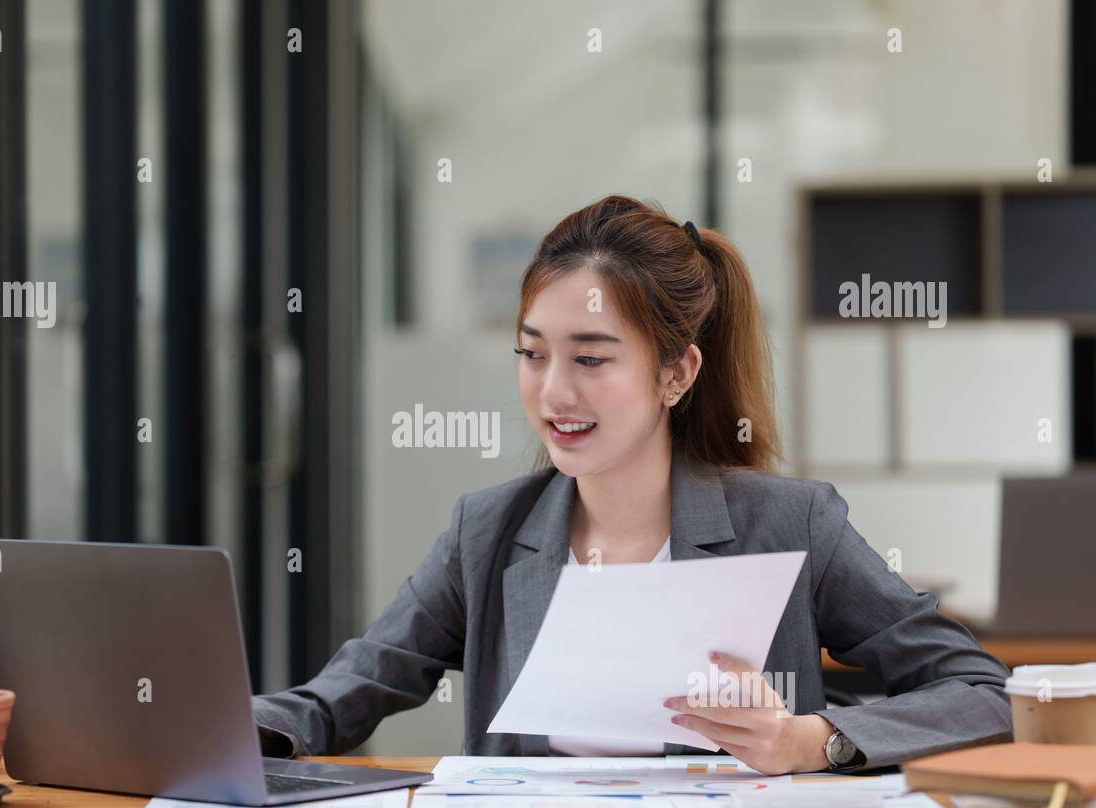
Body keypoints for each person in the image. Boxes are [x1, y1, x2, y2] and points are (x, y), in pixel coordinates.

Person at [252, 194, 1013, 774]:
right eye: (532, 353)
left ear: (675, 373)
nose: (553, 393)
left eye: (590, 359)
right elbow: (342, 695)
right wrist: (218, 729)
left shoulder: (788, 523)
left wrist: (812, 741)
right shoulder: (484, 533)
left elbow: (981, 691)